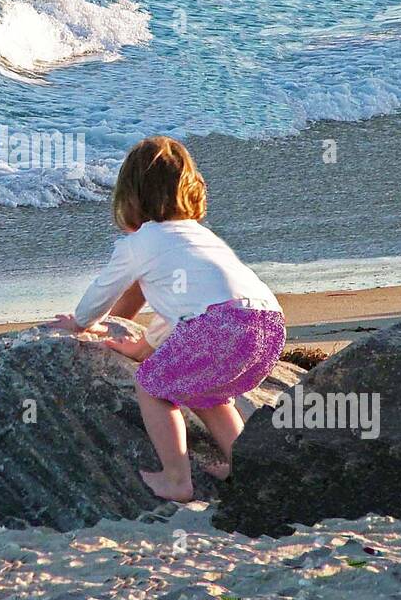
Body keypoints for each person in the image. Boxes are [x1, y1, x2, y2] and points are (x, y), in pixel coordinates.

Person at [51, 136, 285, 501]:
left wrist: (81, 322)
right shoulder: (200, 236)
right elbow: (183, 311)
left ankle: (176, 480)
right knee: (208, 392)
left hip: (219, 327)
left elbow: (104, 289)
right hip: (267, 326)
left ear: (129, 196)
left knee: (152, 387)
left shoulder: (139, 242)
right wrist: (143, 346)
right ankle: (244, 465)